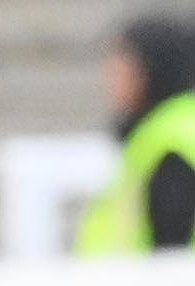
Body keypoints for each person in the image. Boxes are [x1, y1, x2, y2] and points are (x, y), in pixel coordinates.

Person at [77, 14, 195, 254]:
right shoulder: (158, 131)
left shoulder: (171, 141)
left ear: (152, 68)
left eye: (122, 67)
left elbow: (172, 252)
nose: (110, 79)